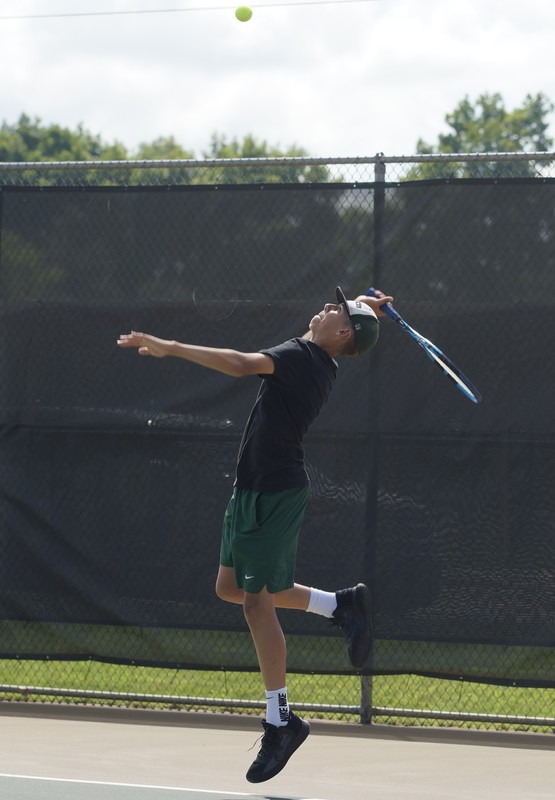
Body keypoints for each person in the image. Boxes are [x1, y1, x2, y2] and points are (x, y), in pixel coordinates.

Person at [117, 285, 392, 783]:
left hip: (275, 493)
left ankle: (280, 721)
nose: (326, 307)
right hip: (252, 488)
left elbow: (242, 364)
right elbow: (340, 329)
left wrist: (170, 347)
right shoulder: (316, 354)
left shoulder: (303, 358)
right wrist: (364, 306)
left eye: (337, 309)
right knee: (230, 587)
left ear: (342, 332)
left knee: (255, 605)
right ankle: (340, 605)